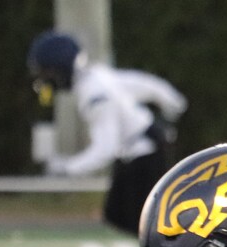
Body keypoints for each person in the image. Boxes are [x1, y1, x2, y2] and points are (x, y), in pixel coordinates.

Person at [26, 30, 187, 234]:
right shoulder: (97, 77)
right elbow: (147, 85)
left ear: (60, 67)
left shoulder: (94, 95)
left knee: (142, 222)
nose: (47, 80)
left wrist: (67, 168)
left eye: (47, 73)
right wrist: (173, 105)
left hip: (143, 154)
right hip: (140, 150)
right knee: (121, 216)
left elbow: (105, 149)